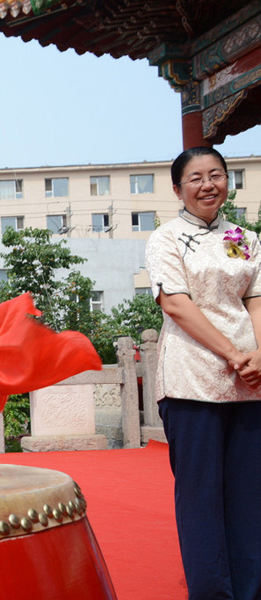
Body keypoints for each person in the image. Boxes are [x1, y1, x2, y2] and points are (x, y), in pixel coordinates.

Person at [145, 146, 261, 600]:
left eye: (216, 175)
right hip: (191, 380)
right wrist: (234, 353)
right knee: (201, 498)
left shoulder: (243, 237)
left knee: (250, 495)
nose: (208, 184)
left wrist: (259, 355)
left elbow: (255, 299)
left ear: (228, 181)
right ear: (178, 189)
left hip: (249, 383)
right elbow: (175, 303)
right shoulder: (166, 238)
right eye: (195, 178)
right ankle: (213, 593)